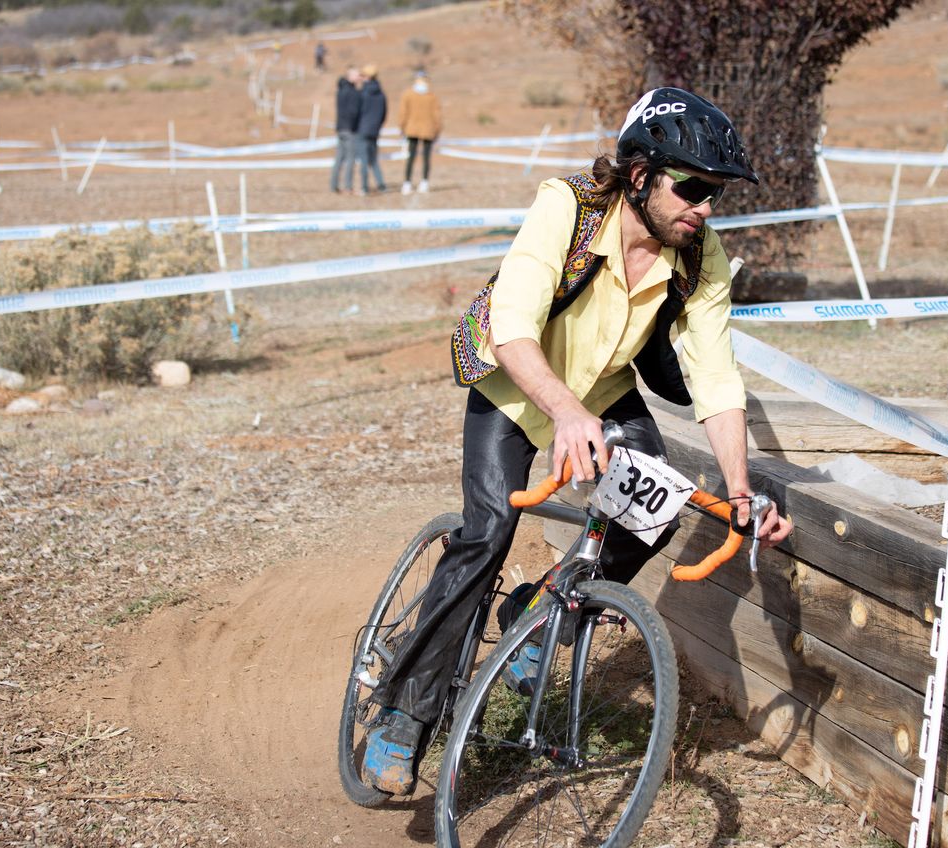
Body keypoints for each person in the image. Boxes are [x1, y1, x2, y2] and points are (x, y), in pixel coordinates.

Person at [360, 87, 793, 796]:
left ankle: (536, 611)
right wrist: (562, 411)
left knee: (652, 510)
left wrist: (741, 490)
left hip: (601, 391)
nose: (706, 207)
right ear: (640, 173)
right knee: (488, 532)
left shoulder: (700, 256)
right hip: (517, 381)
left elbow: (717, 381)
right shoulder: (566, 207)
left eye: (716, 193)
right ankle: (403, 717)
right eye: (692, 187)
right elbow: (512, 325)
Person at [398, 70, 441, 194]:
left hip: (411, 129)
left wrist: (402, 127)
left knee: (411, 157)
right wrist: (437, 130)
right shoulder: (432, 96)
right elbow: (437, 115)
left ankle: (407, 183)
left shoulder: (408, 94)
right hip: (428, 130)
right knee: (426, 158)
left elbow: (403, 113)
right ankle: (424, 182)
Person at [355, 65, 388, 194]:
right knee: (374, 160)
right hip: (375, 131)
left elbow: (358, 111)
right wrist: (377, 126)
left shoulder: (363, 93)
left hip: (363, 130)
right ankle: (381, 185)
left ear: (368, 77)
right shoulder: (381, 94)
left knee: (364, 160)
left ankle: (364, 187)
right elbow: (384, 113)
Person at [330, 66, 362, 194]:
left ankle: (334, 185)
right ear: (350, 76)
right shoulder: (353, 92)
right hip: (350, 129)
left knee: (339, 158)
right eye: (357, 75)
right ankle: (348, 186)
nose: (359, 77)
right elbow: (353, 112)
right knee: (350, 159)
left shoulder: (340, 90)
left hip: (341, 128)